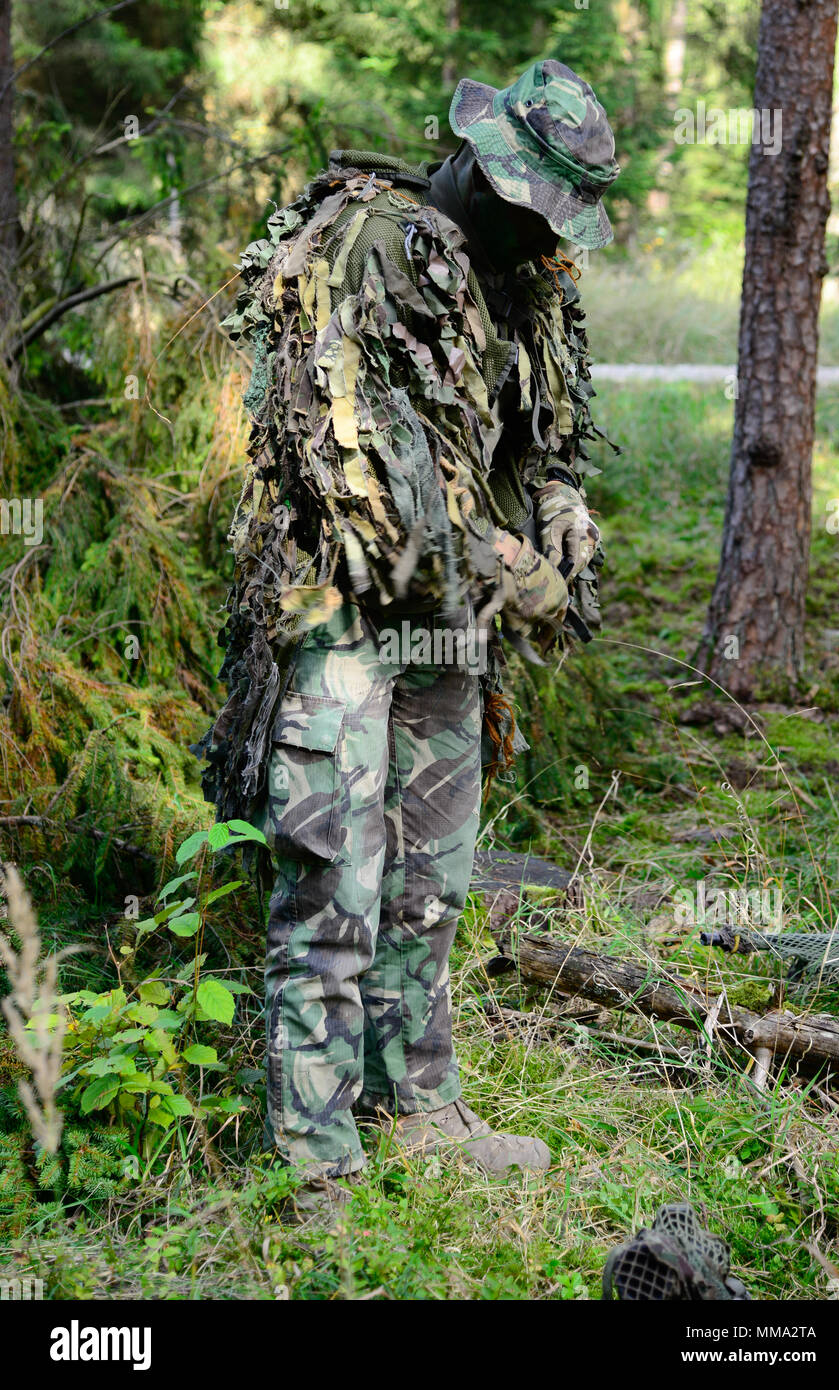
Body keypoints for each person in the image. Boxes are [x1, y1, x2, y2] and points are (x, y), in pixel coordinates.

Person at [195, 58, 620, 1215]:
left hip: (448, 627)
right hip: (340, 603)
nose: (543, 233)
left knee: (429, 877)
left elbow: (536, 435)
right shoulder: (363, 241)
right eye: (530, 202)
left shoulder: (523, 274)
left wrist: (556, 509)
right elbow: (357, 478)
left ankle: (416, 1107)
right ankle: (314, 1156)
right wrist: (511, 571)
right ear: (480, 162)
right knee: (333, 875)